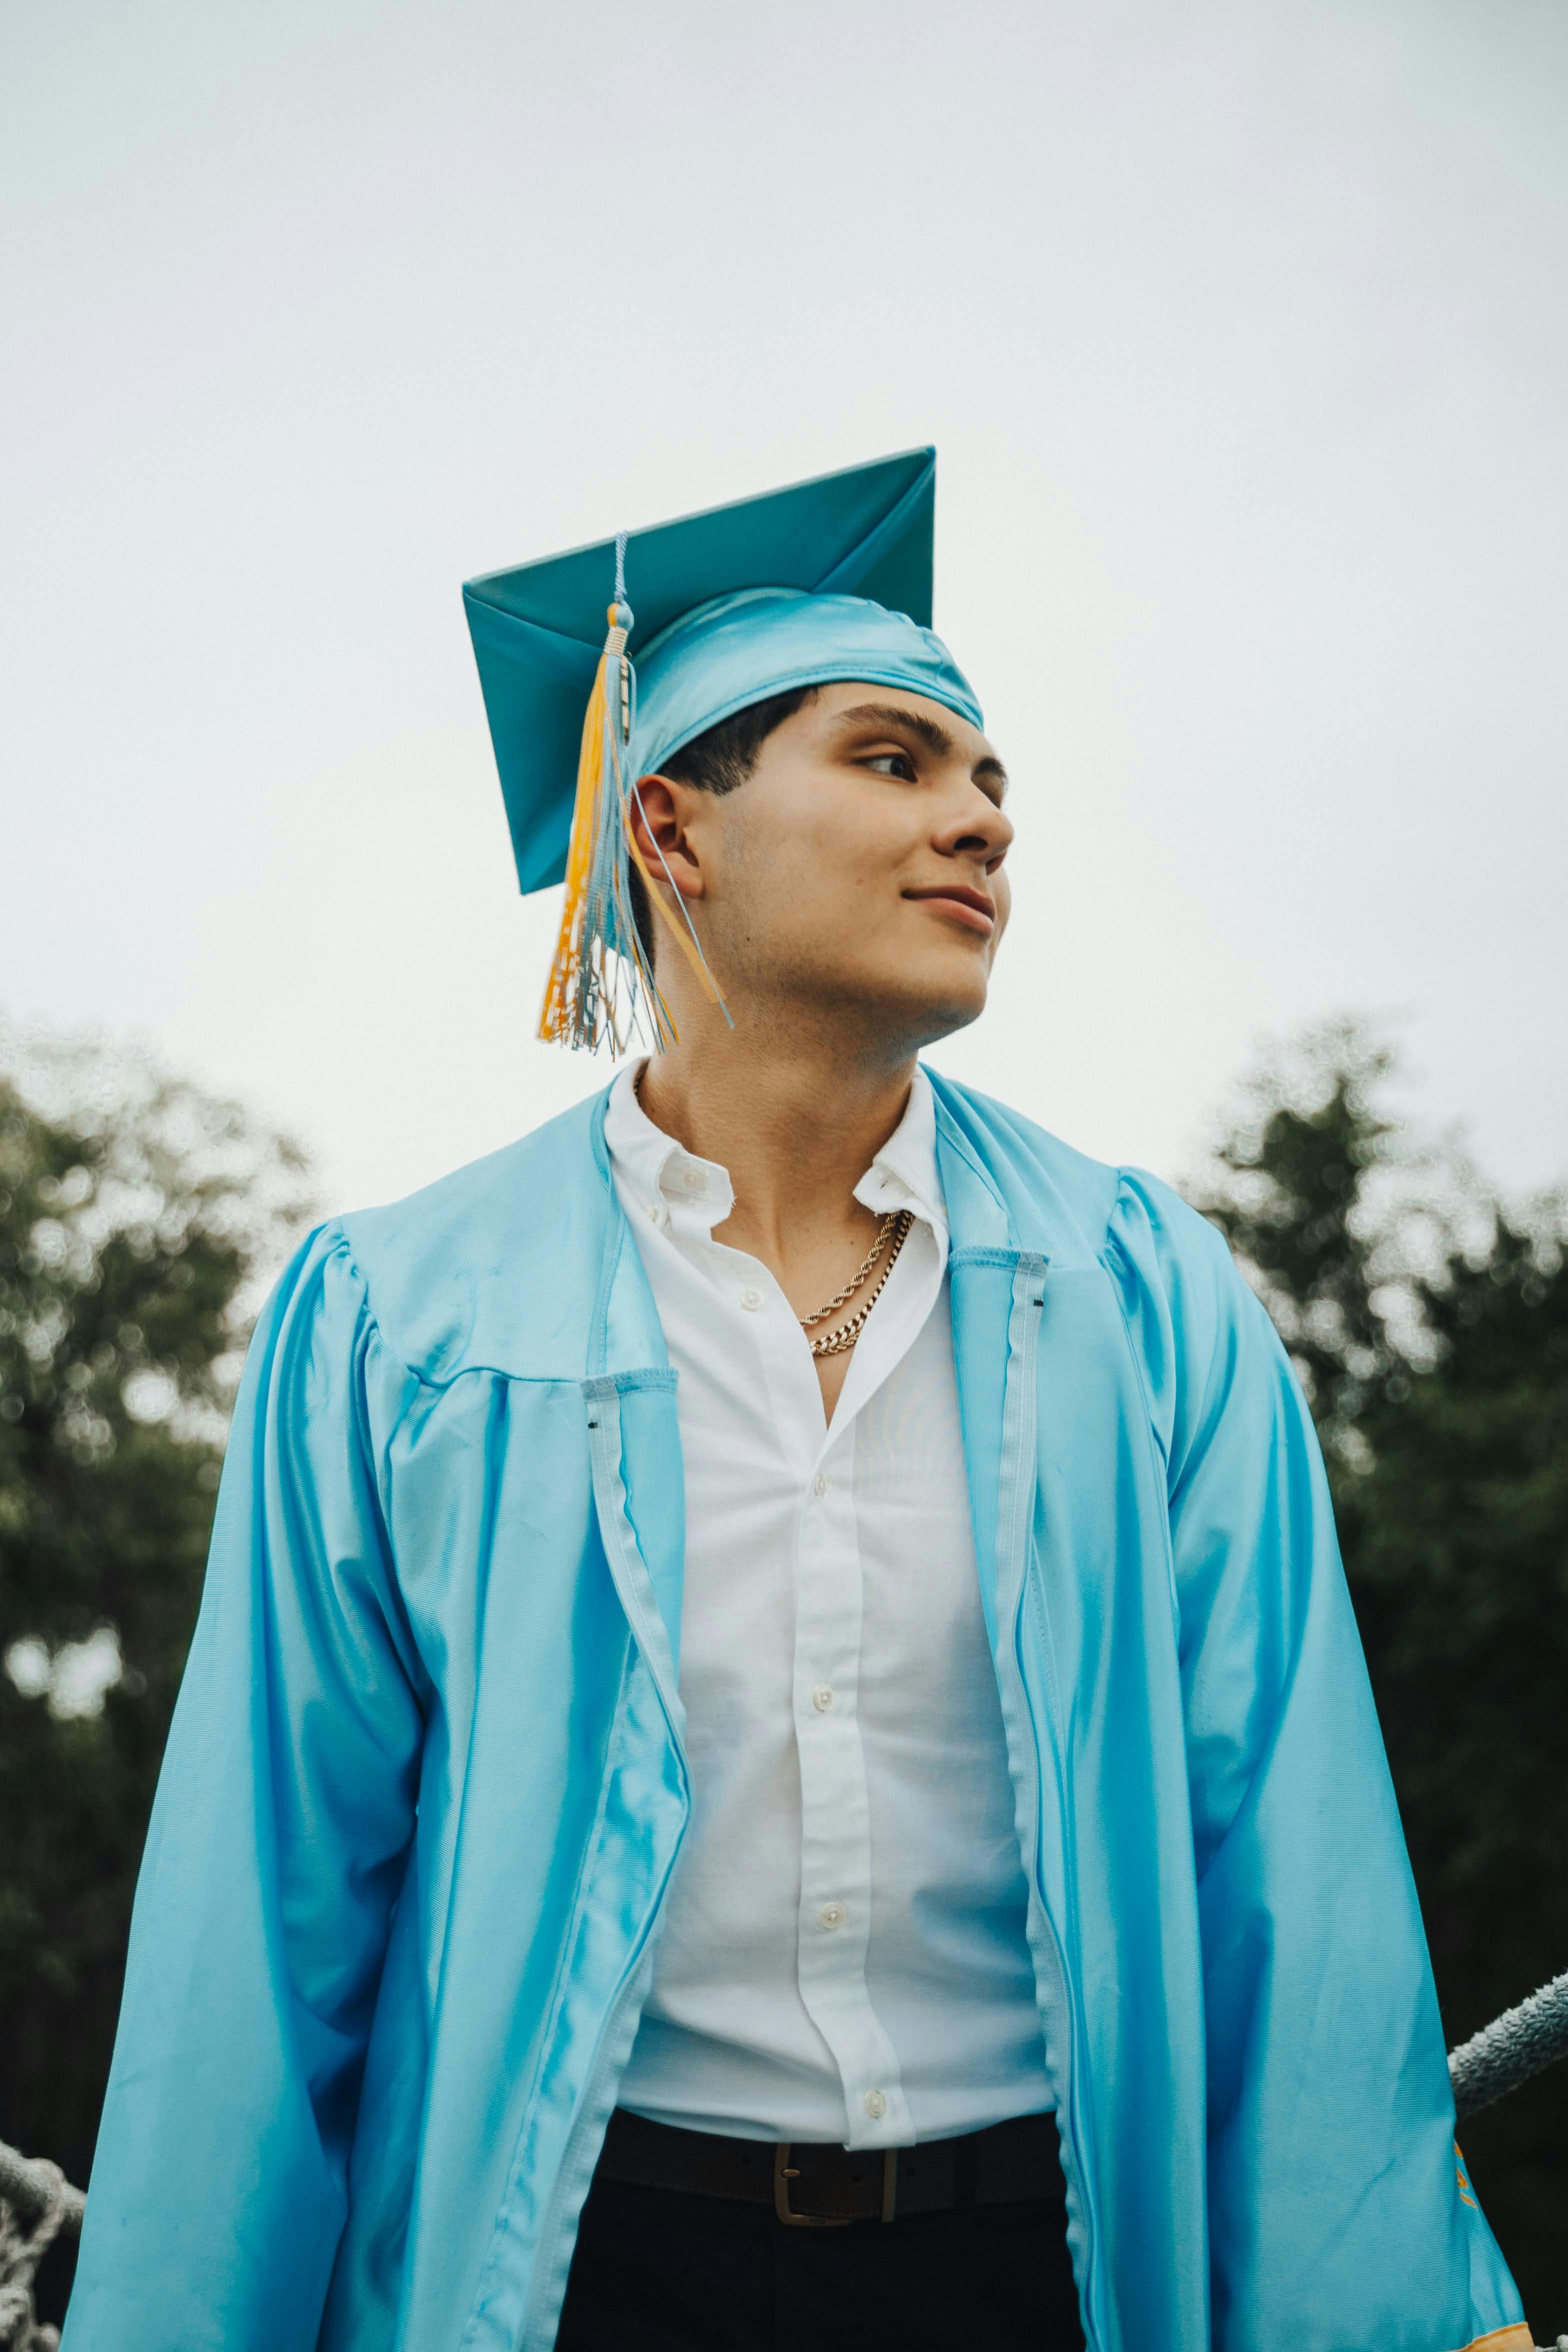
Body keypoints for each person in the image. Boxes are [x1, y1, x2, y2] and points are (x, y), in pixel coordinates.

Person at [63, 451, 1528, 2352]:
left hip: (1038, 2271)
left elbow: (1290, 1872)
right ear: (669, 831)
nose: (985, 826)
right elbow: (267, 1930)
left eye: (994, 782)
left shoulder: (1143, 1297)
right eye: (897, 763)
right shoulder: (404, 1323)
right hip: (584, 2282)